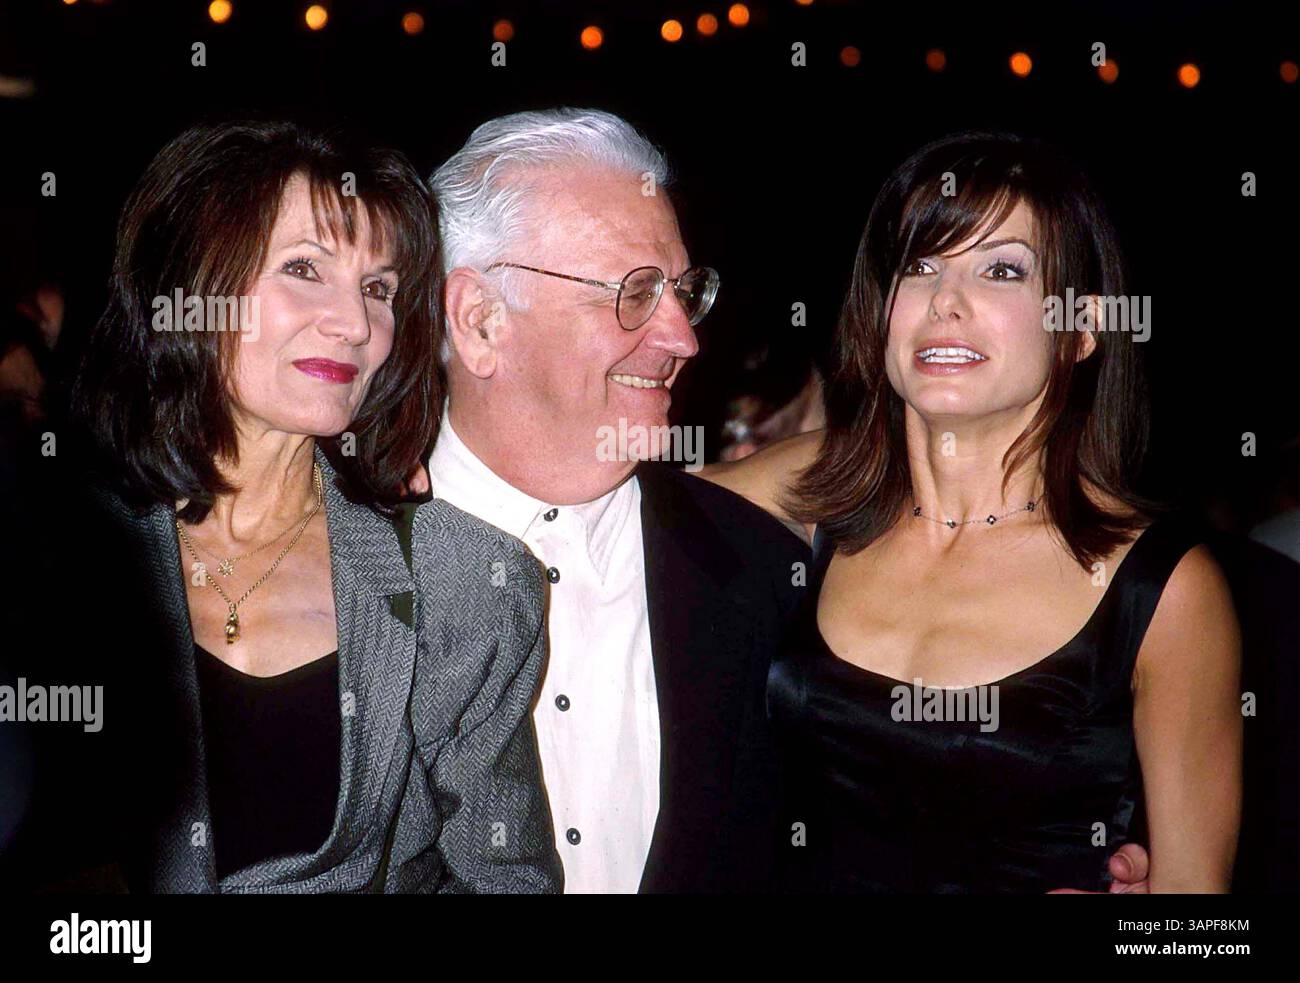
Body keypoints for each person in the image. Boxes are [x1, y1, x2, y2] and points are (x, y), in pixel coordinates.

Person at [419, 109, 1155, 893]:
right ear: (480, 319)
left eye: (683, 291)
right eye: (634, 293)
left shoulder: (763, 566)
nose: (683, 337)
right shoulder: (329, 568)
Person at [11, 120, 560, 893]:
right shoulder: (53, 551)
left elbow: (505, 879)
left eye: (378, 288)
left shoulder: (464, 580)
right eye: (305, 267)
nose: (356, 322)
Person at [705, 132, 1241, 892]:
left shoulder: (1165, 592)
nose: (945, 301)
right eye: (919, 266)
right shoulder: (812, 488)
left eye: (1001, 270)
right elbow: (601, 507)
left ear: (1082, 327)